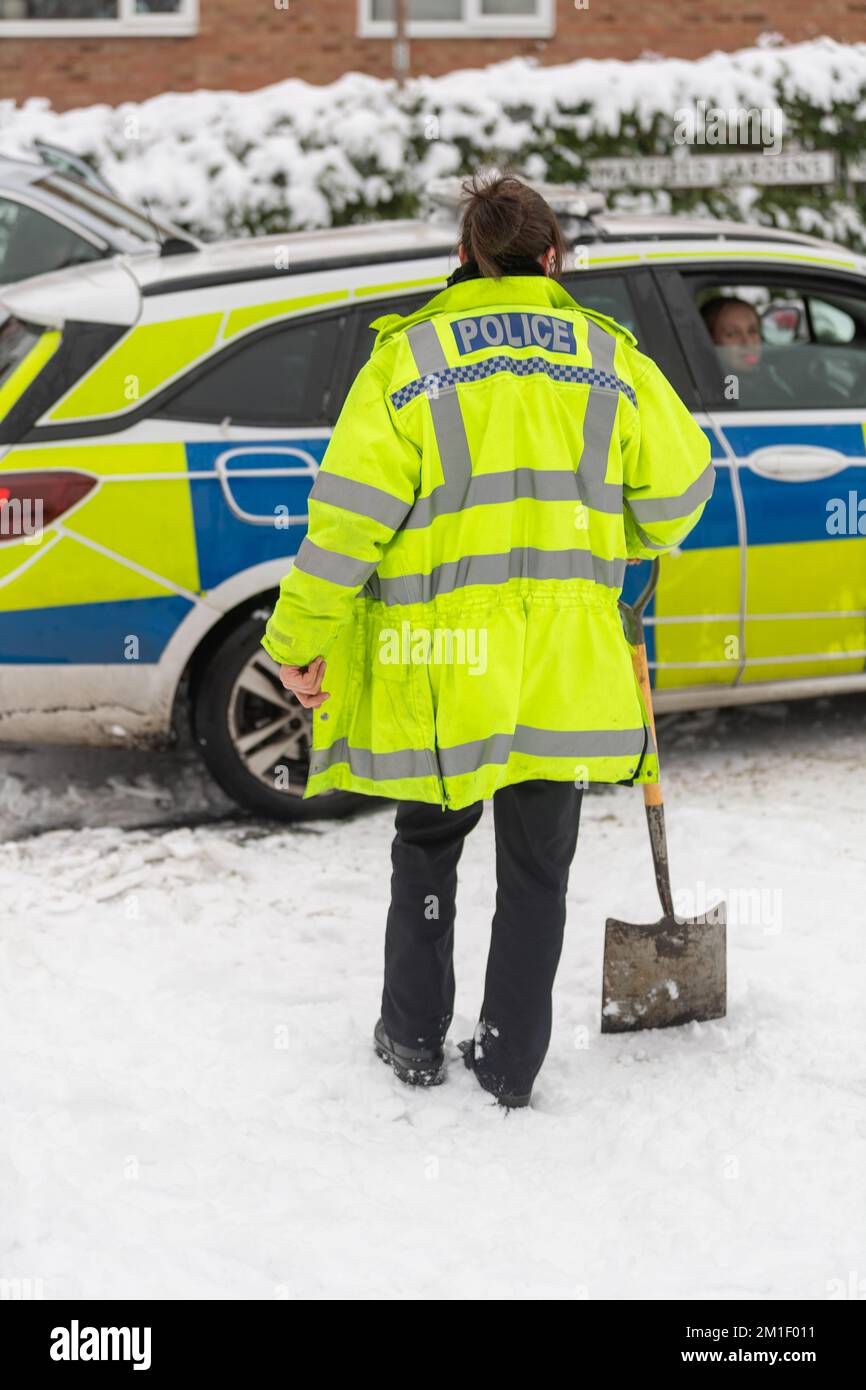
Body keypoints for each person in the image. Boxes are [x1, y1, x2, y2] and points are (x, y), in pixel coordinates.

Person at [262, 173, 714, 1109]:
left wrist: (299, 638)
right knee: (539, 868)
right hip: (562, 668)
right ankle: (510, 1064)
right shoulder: (608, 358)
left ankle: (413, 1037)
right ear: (552, 260)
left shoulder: (408, 362)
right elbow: (677, 500)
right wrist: (601, 544)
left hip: (444, 675)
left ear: (463, 258)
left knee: (428, 848)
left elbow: (348, 522)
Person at [700, 294, 795, 403]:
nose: (747, 342)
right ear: (710, 340)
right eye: (732, 333)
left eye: (752, 331)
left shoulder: (766, 373)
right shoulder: (714, 392)